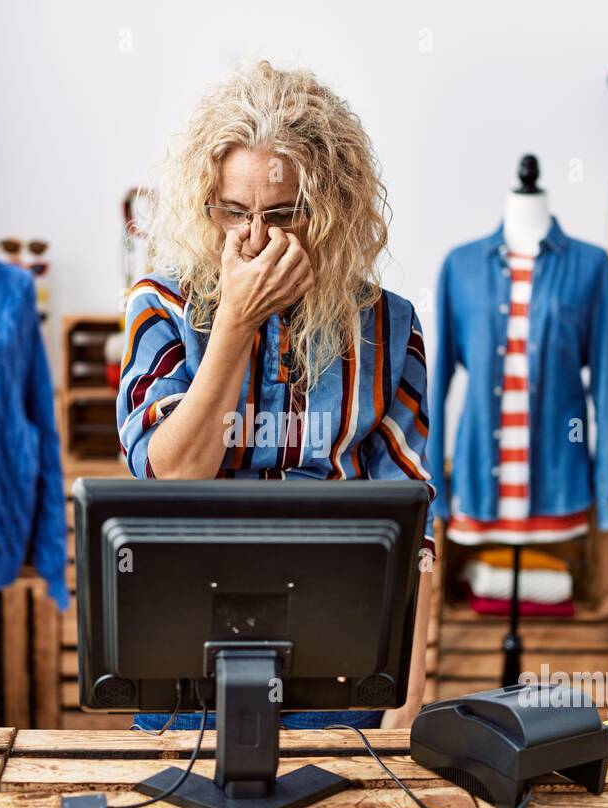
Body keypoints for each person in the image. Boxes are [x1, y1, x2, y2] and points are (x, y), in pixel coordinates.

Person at [117, 60, 435, 730]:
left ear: (329, 212)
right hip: (186, 658)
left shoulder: (389, 326)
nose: (253, 237)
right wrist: (235, 318)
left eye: (281, 215)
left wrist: (406, 701)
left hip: (340, 658)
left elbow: (415, 529)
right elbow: (171, 474)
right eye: (231, 211)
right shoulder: (162, 305)